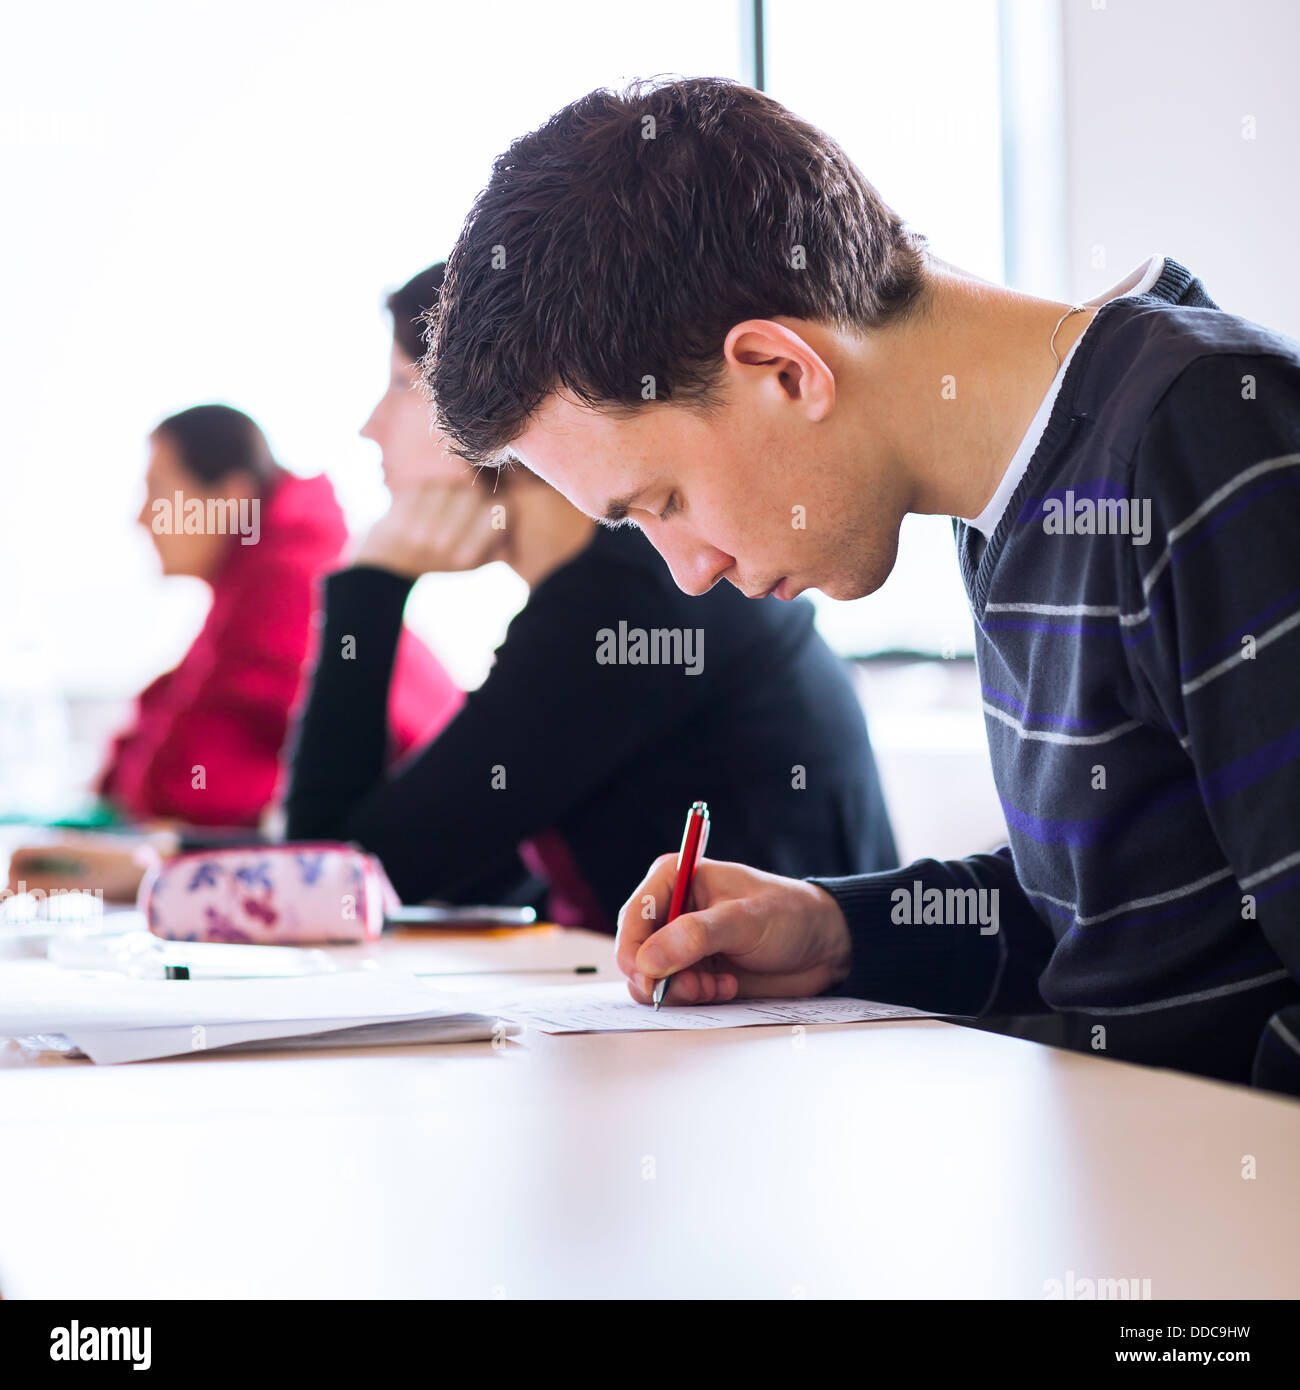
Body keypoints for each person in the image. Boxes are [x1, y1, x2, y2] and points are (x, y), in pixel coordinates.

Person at [423, 78, 1300, 1097]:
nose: (691, 570)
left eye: (661, 500)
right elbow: (1123, 920)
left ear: (784, 371)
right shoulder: (1023, 502)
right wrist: (832, 930)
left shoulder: (1205, 439)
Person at [284, 262, 897, 930]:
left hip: (809, 1025)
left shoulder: (625, 605)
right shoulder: (611, 585)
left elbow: (329, 879)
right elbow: (455, 851)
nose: (370, 427)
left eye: (403, 385)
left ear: (490, 408)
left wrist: (369, 587)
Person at [98, 404, 463, 828]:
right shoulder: (252, 582)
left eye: (158, 490)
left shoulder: (284, 584)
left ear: (232, 497)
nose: (141, 517)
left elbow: (178, 789)